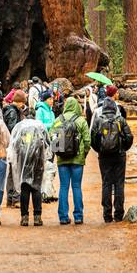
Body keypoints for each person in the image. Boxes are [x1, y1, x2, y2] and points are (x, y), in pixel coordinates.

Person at [90, 92, 133, 223]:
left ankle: (107, 214)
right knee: (119, 184)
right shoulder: (120, 120)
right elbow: (129, 137)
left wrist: (100, 150)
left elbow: (93, 138)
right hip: (119, 156)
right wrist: (123, 148)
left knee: (106, 183)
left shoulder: (98, 119)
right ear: (115, 108)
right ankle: (119, 214)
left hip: (104, 157)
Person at [52, 94, 90, 224]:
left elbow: (52, 138)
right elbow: (87, 141)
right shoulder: (81, 121)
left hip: (62, 160)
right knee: (76, 187)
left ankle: (63, 217)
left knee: (63, 187)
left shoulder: (57, 120)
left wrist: (58, 154)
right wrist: (83, 155)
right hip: (77, 160)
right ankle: (78, 216)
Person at [8, 117, 50, 225]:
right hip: (38, 162)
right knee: (36, 189)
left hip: (24, 163)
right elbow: (47, 144)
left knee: (25, 189)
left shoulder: (20, 128)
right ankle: (37, 217)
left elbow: (14, 145)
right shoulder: (40, 127)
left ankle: (24, 217)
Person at [36, 91, 58, 201]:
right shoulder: (40, 110)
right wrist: (52, 125)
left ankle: (49, 191)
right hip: (43, 142)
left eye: (52, 99)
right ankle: (42, 193)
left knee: (50, 167)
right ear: (45, 100)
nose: (52, 101)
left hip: (52, 142)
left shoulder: (51, 112)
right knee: (43, 167)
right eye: (49, 99)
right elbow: (38, 125)